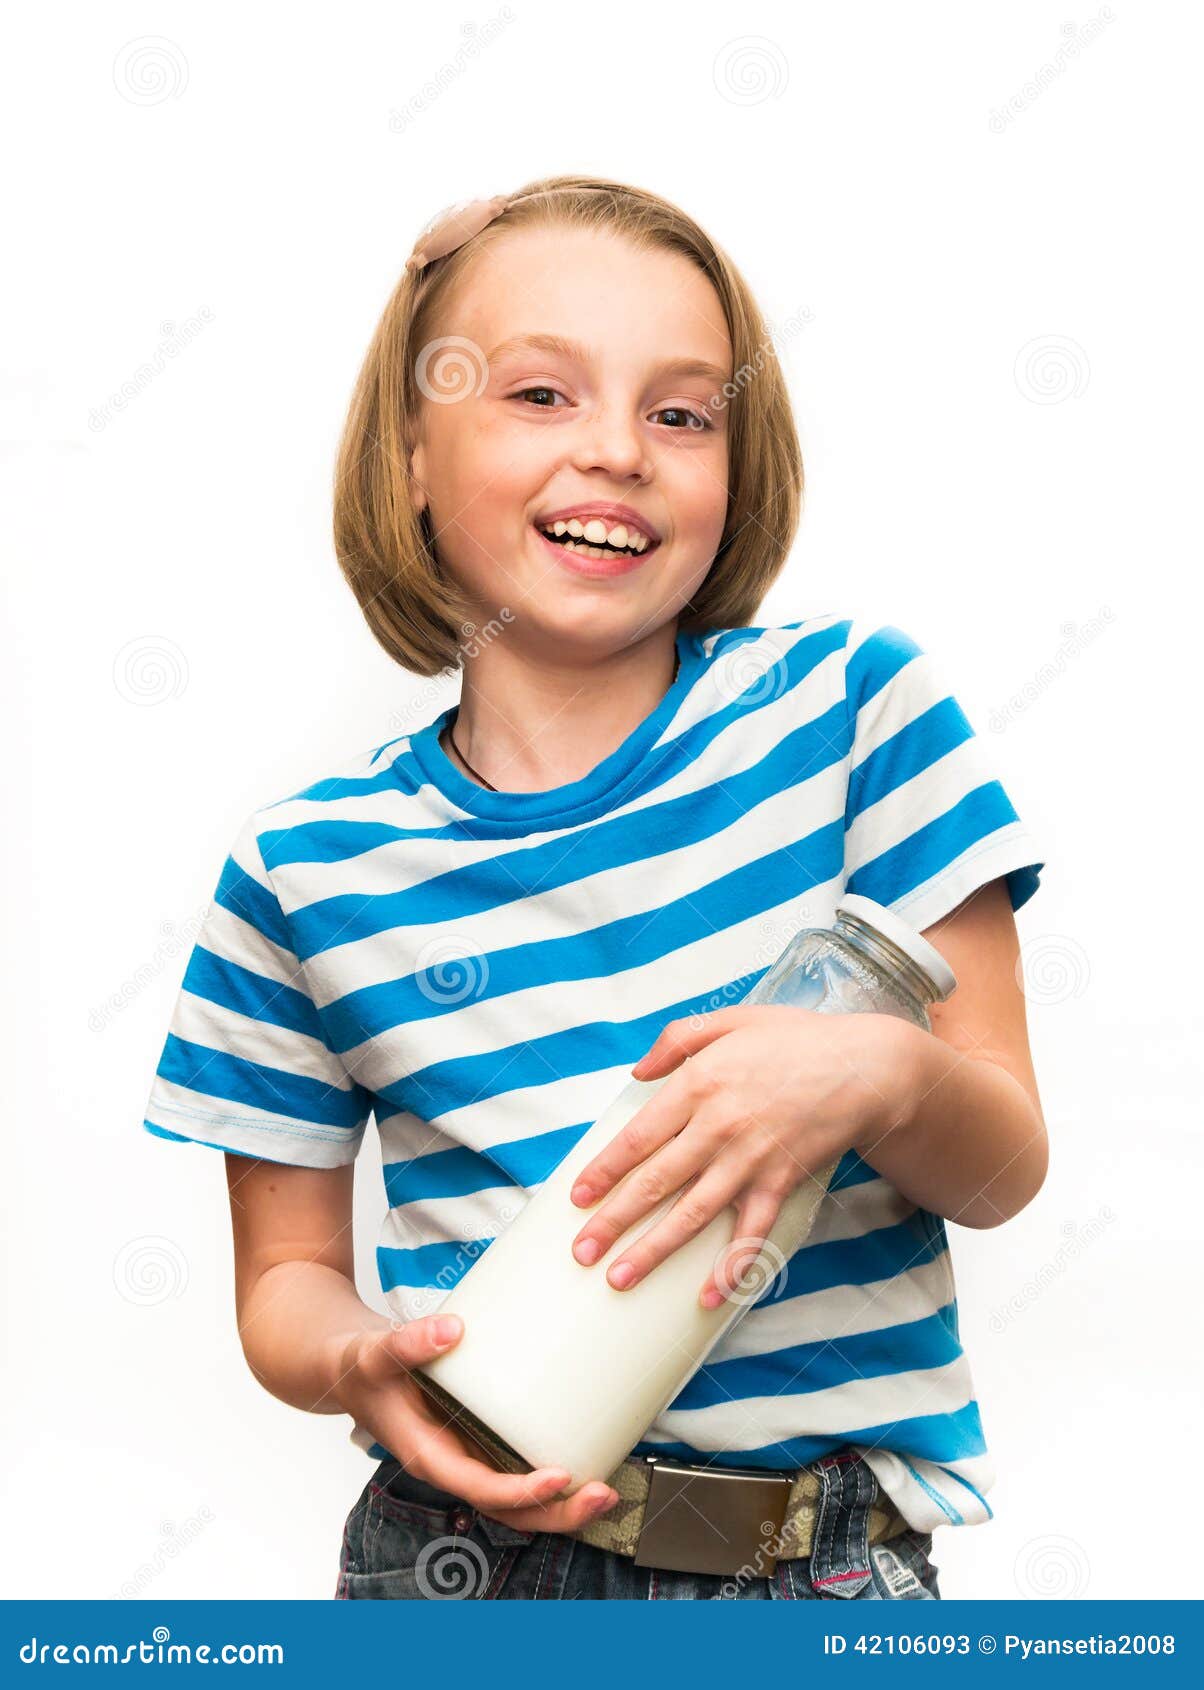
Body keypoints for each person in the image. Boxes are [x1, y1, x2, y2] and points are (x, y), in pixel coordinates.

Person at [142, 174, 1048, 1600]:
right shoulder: (303, 869)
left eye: (682, 414)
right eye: (539, 394)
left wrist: (881, 1077)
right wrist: (354, 1356)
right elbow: (283, 1282)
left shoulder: (852, 716)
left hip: (818, 1577)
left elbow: (1003, 1168)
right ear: (412, 458)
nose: (618, 450)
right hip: (459, 1568)